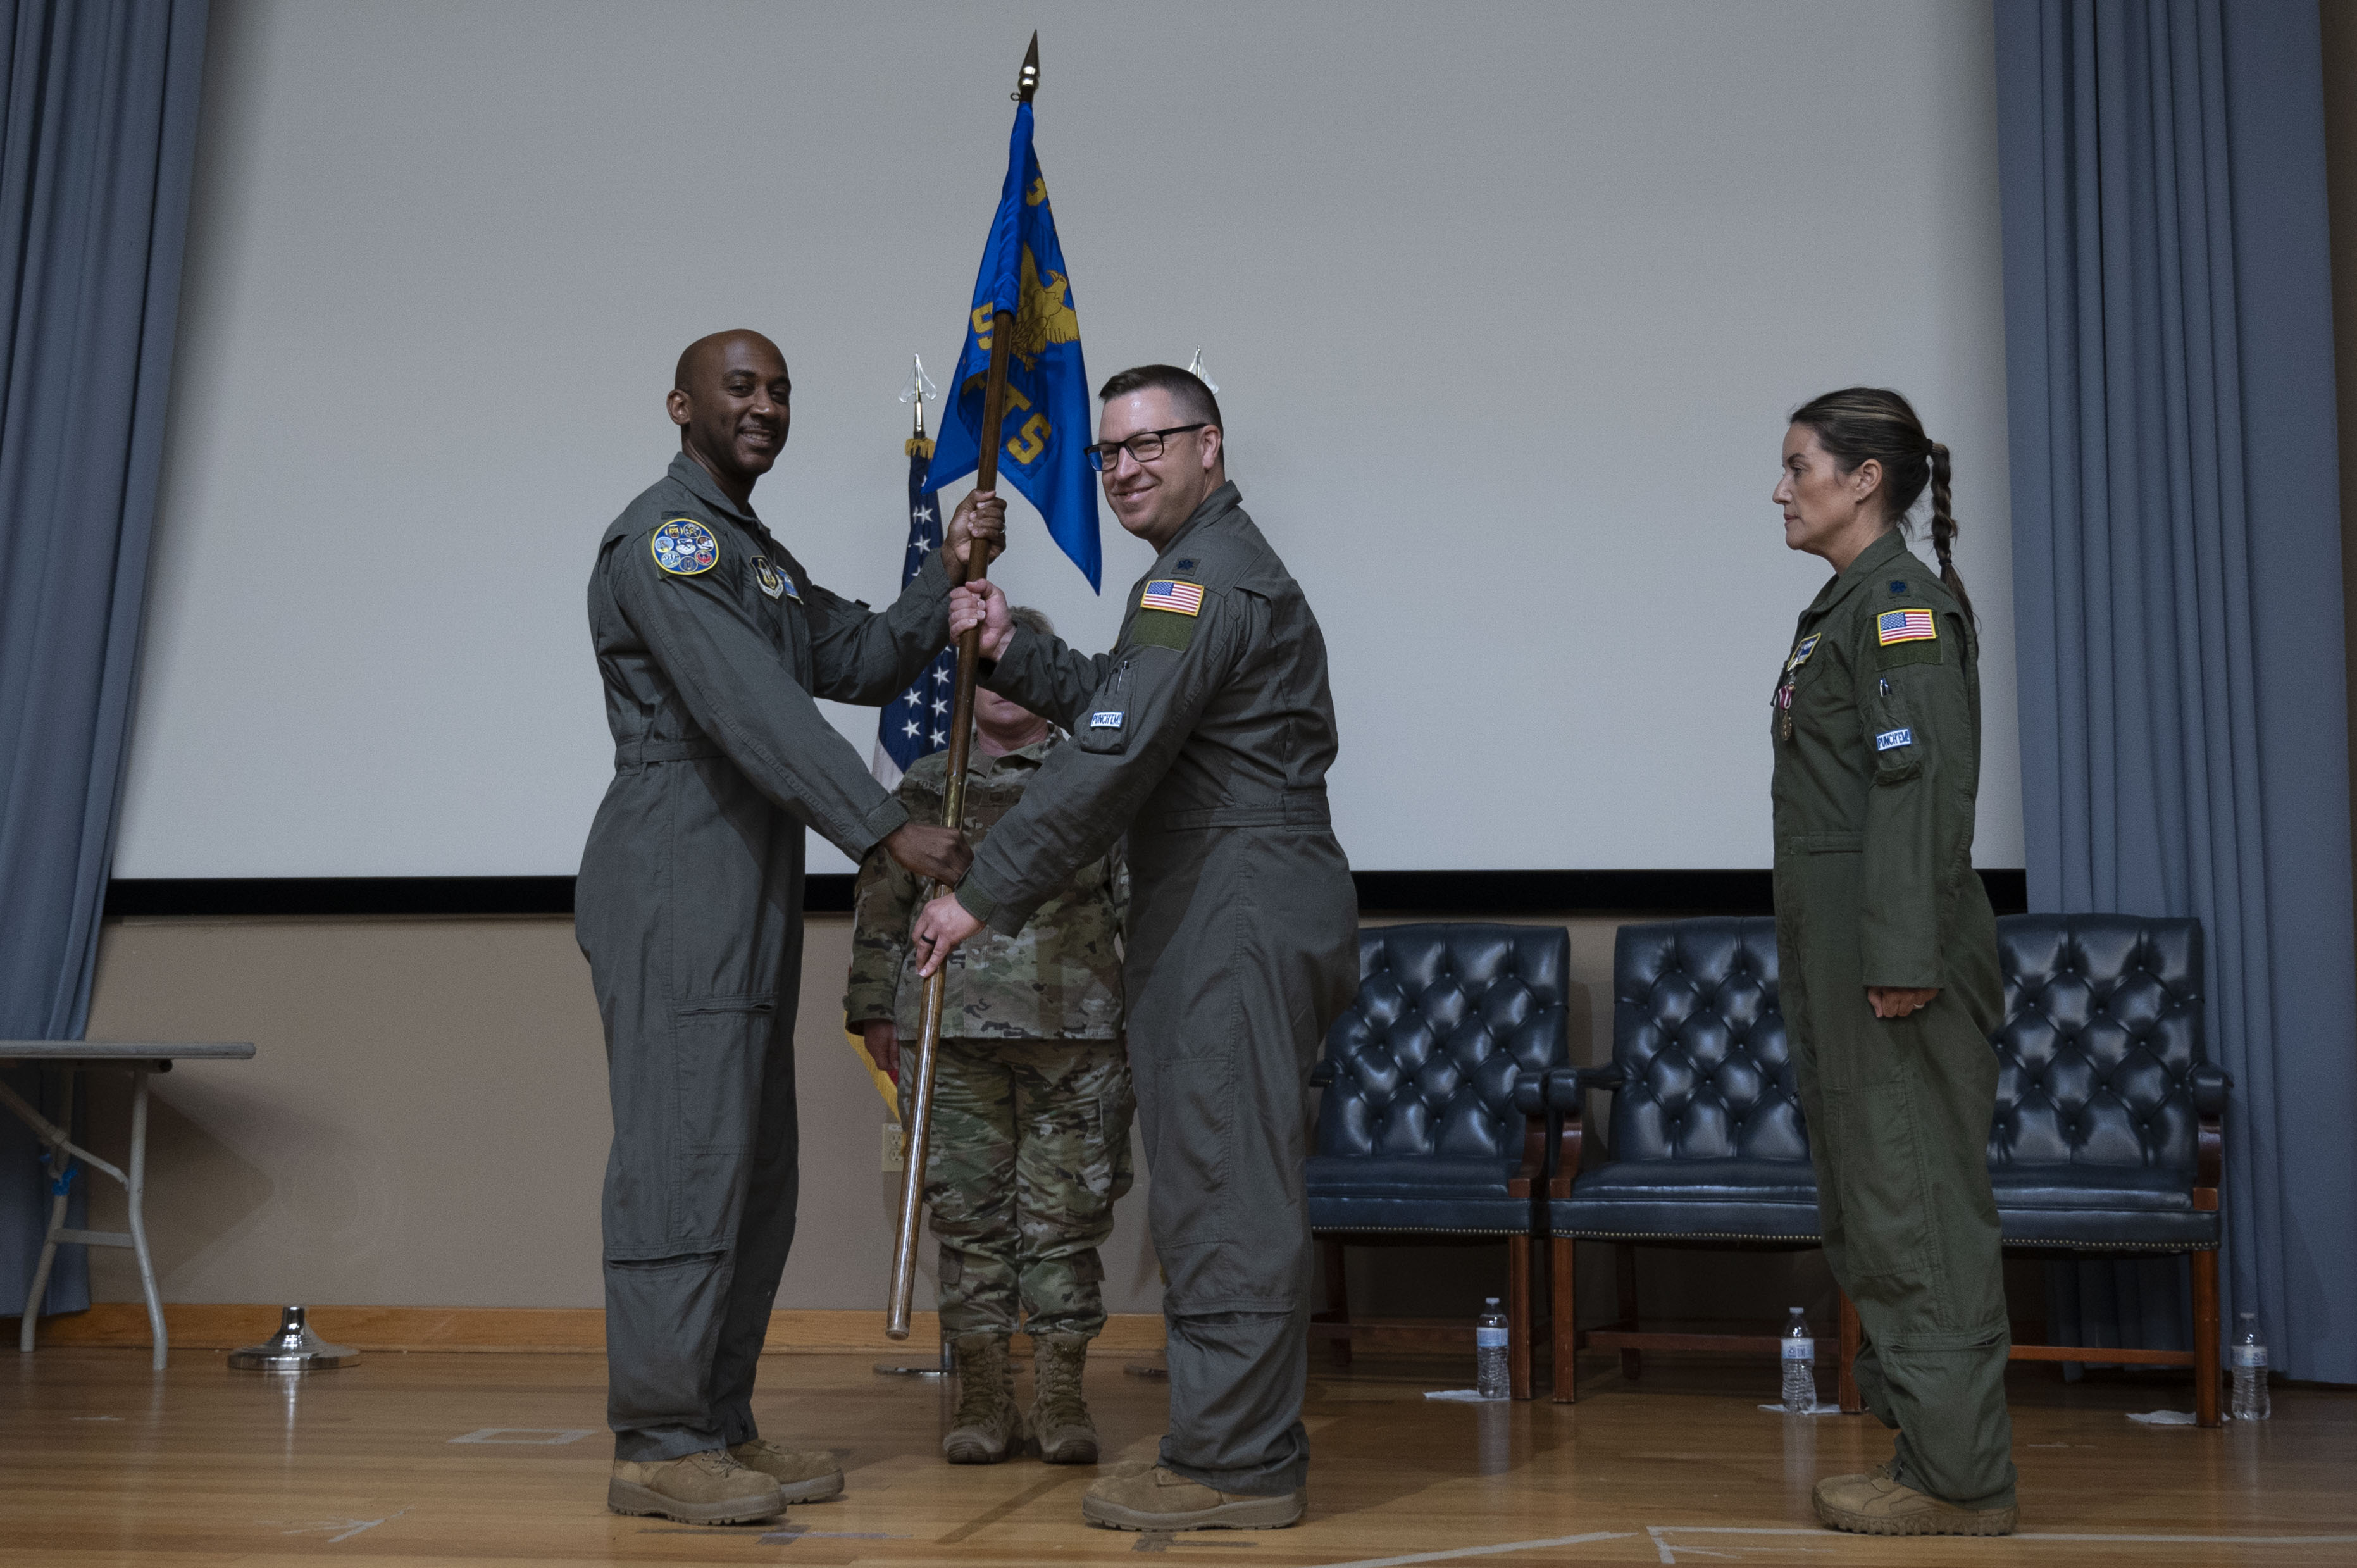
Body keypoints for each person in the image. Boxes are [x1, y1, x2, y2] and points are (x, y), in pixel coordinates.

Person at [909, 365, 1359, 1533]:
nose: (1122, 469)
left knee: (1227, 1190)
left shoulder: (1207, 579)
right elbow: (1121, 702)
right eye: (1107, 453)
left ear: (1211, 444)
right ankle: (1224, 1441)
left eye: (1149, 443)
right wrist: (1014, 650)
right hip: (1217, 896)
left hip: (1237, 901)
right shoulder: (1189, 577)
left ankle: (1240, 1463)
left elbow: (1110, 758)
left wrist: (981, 894)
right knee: (1211, 1179)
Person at [576, 328, 1002, 1525]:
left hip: (741, 868)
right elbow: (748, 704)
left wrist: (948, 564)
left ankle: (715, 1420)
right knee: (684, 1159)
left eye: (780, 391)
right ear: (681, 404)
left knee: (751, 1167)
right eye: (741, 387)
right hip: (676, 865)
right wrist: (880, 828)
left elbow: (855, 655)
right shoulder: (669, 540)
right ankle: (659, 1439)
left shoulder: (749, 553)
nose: (766, 406)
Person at [1767, 387, 2017, 1537]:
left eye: (1797, 465)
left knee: (1913, 1202)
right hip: (1842, 943)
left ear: (1863, 477)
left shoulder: (1900, 608)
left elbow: (1920, 791)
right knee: (1872, 1202)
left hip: (1889, 949)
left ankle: (1960, 1480)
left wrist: (1903, 951)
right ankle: (1928, 1453)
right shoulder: (1843, 606)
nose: (1780, 488)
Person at [845, 606, 1135, 1468]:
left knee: (1064, 1221)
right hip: (949, 1033)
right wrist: (873, 1010)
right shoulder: (926, 783)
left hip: (1074, 1035)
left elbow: (1137, 900)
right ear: (964, 683)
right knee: (968, 1222)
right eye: (984, 671)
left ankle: (1058, 1393)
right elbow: (881, 911)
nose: (1001, 688)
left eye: (1015, 670)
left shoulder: (1097, 775)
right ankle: (980, 1393)